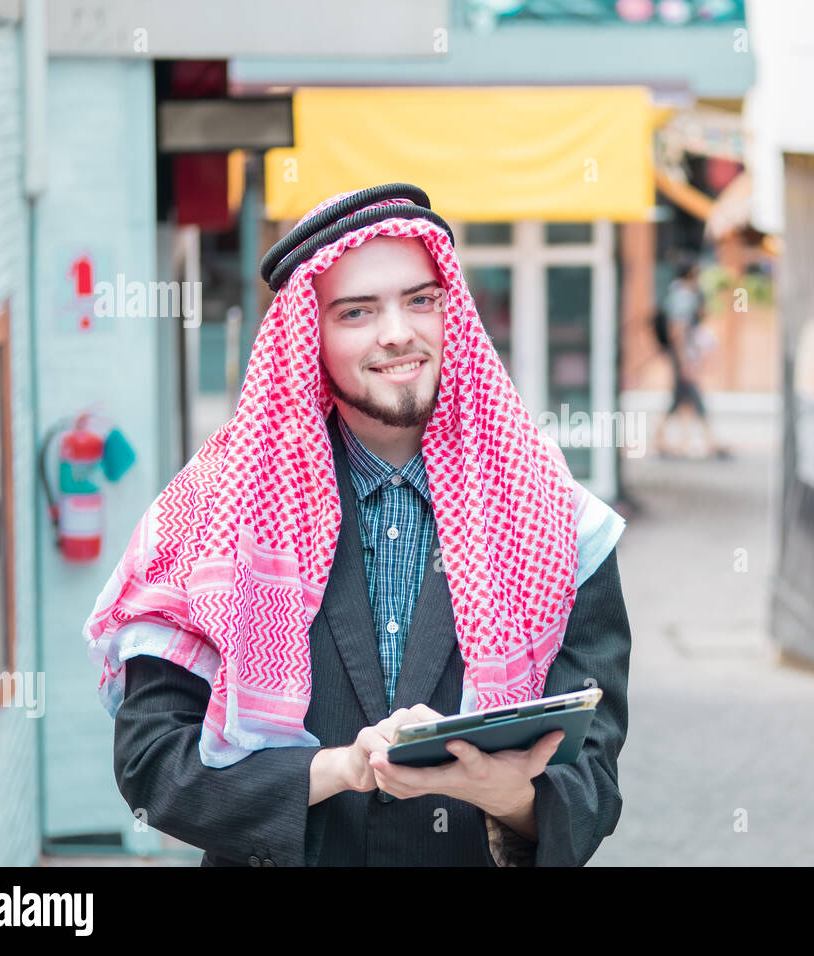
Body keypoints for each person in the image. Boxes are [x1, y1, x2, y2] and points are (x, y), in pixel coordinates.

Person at [83, 184, 631, 867]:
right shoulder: (217, 511)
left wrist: (505, 793)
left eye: (420, 300)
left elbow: (594, 783)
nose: (397, 331)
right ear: (306, 335)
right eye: (356, 311)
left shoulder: (551, 513)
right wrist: (341, 769)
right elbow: (152, 765)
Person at [652, 258, 731, 459]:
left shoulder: (678, 293)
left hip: (682, 354)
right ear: (691, 274)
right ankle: (711, 441)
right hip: (683, 355)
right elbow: (677, 330)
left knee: (681, 397)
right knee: (692, 395)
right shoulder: (683, 296)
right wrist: (684, 360)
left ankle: (661, 438)